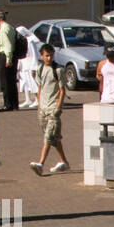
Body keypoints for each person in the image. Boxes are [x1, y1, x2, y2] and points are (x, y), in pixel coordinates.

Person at [29, 43, 70, 175]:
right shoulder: (40, 69)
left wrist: (58, 107)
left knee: (48, 137)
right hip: (43, 109)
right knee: (54, 137)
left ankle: (40, 164)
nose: (49, 58)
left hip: (53, 109)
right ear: (42, 56)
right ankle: (64, 161)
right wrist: (40, 104)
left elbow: (62, 90)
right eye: (46, 55)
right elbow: (40, 87)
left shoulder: (58, 70)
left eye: (51, 55)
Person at [16, 26, 39, 107]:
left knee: (33, 83)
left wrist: (34, 67)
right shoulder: (20, 41)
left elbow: (34, 55)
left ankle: (37, 99)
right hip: (23, 66)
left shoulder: (30, 41)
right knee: (24, 83)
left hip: (29, 65)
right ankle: (28, 99)